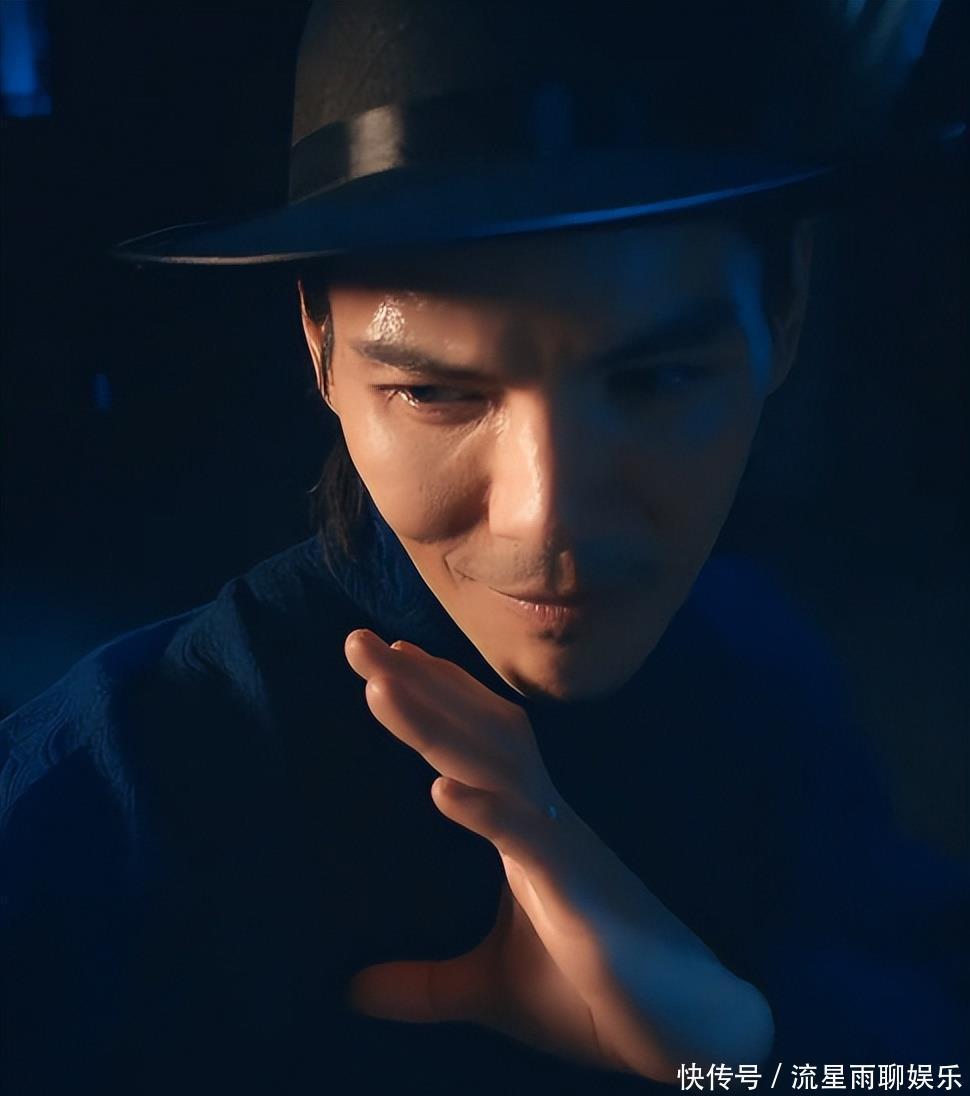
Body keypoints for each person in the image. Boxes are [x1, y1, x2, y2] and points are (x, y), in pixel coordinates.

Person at [1, 2, 967, 1094]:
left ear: (782, 315)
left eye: (653, 380)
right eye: (433, 393)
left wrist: (745, 1057)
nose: (545, 518)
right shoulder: (112, 800)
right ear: (319, 344)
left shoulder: (769, 677)